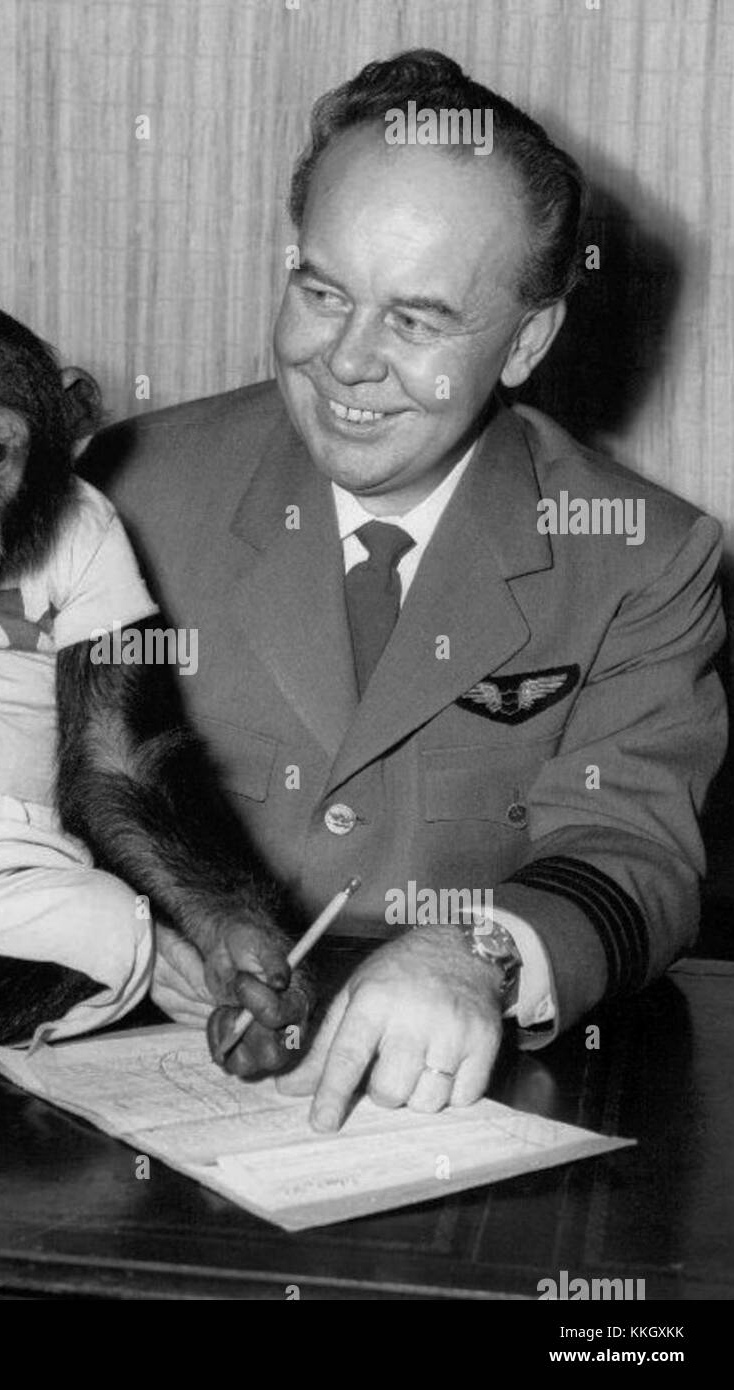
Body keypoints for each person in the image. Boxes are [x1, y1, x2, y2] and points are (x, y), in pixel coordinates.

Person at [82, 50, 727, 1131]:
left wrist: (475, 950)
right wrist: (121, 924)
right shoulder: (127, 488)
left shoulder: (639, 555)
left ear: (525, 340)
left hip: (457, 1098)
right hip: (138, 1074)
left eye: (415, 321)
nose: (344, 361)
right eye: (321, 290)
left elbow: (636, 855)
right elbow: (17, 771)